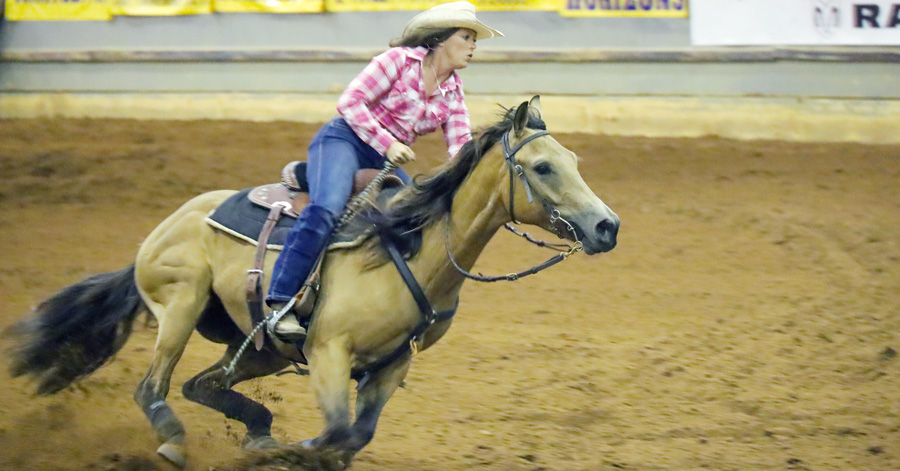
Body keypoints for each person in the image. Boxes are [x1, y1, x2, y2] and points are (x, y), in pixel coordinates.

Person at [266, 1, 503, 340]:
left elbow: (460, 147)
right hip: (344, 140)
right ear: (440, 39)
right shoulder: (397, 62)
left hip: (383, 161)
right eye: (466, 37)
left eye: (474, 39)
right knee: (326, 207)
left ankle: (381, 308)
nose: (473, 45)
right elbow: (350, 102)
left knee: (413, 219)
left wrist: (484, 174)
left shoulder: (453, 91)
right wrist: (388, 143)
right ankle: (282, 302)